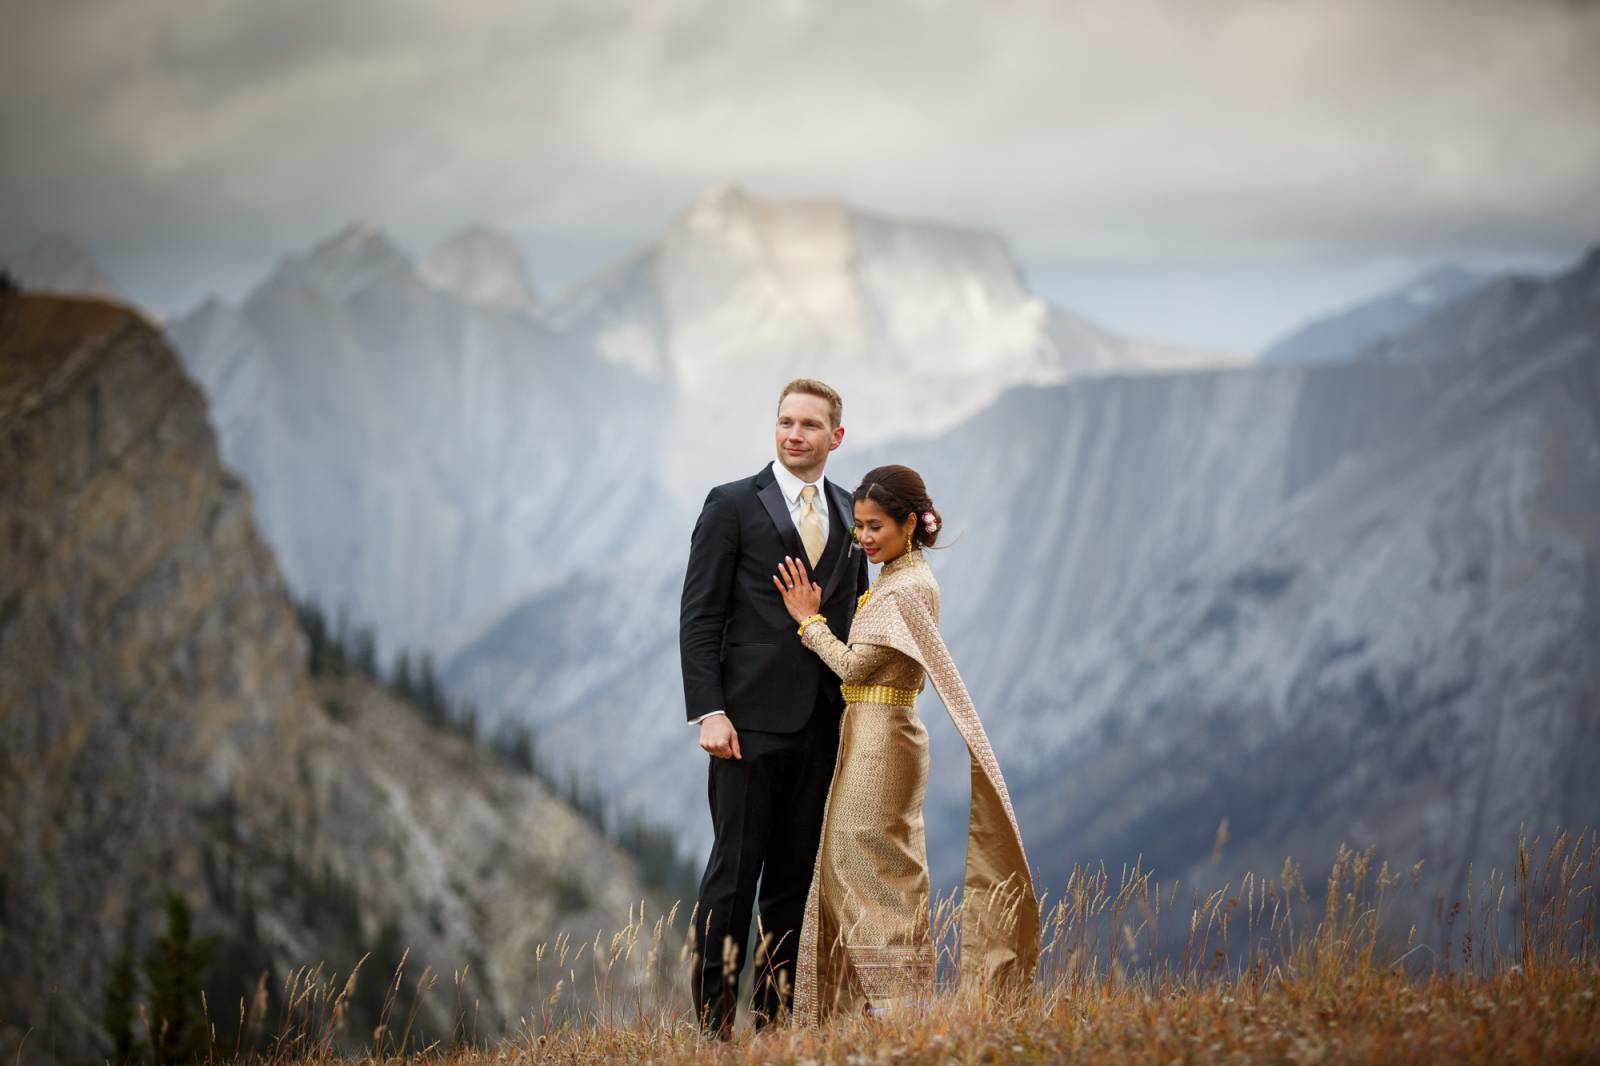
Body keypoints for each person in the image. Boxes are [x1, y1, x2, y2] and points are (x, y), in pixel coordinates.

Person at [772, 464, 1039, 1023]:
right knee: (869, 861)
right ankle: (875, 1001)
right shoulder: (899, 577)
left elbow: (853, 667)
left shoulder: (907, 586)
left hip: (882, 740)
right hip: (877, 735)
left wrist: (809, 621)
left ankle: (895, 1001)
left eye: (876, 526)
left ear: (910, 524)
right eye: (859, 527)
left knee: (863, 862)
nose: (865, 538)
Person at [679, 378, 871, 1038]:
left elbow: (853, 620)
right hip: (746, 725)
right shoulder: (731, 504)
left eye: (809, 425)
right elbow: (700, 616)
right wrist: (709, 710)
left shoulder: (849, 512)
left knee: (794, 884)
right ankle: (713, 1031)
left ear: (835, 437)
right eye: (786, 421)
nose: (794, 433)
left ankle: (774, 1027)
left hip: (823, 725)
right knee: (733, 879)